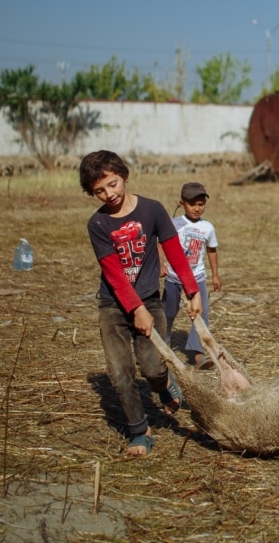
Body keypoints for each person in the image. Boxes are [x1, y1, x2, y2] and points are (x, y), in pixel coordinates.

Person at [80, 150, 203, 456]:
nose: (109, 194)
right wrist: (134, 310)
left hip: (149, 299)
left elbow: (174, 251)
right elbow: (114, 274)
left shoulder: (152, 210)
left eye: (112, 184)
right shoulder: (98, 224)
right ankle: (140, 432)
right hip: (113, 305)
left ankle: (163, 384)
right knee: (120, 373)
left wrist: (192, 289)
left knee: (151, 366)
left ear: (124, 175)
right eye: (99, 191)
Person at [162, 181, 222, 367]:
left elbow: (212, 250)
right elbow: (160, 242)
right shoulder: (173, 224)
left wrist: (215, 275)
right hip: (174, 276)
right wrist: (160, 263)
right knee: (168, 312)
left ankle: (198, 354)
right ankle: (163, 345)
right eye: (192, 204)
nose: (197, 208)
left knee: (200, 313)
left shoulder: (207, 227)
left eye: (201, 204)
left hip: (197, 277)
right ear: (182, 204)